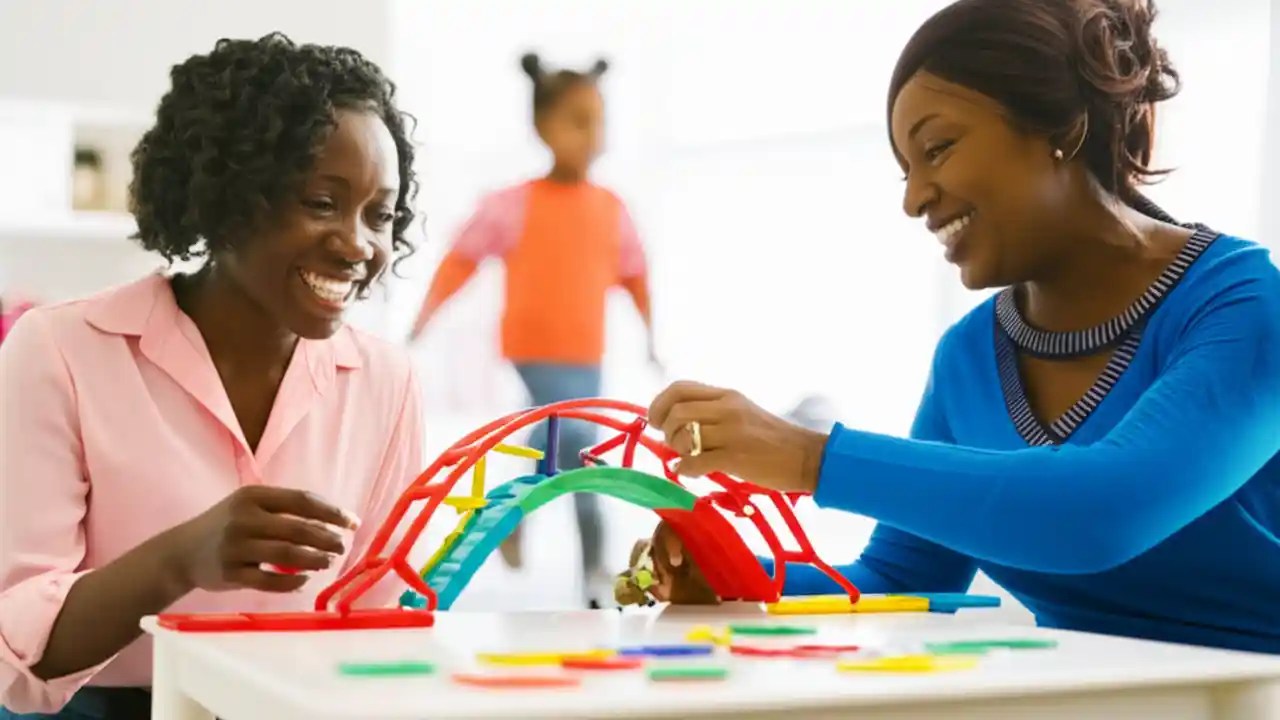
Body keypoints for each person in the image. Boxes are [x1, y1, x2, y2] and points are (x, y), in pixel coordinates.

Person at [621, 0, 1280, 655]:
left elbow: (1103, 512)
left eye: (937, 149)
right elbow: (901, 580)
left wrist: (809, 458)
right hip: (1106, 696)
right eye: (906, 171)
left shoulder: (1245, 307)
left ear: (1064, 128)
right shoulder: (969, 358)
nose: (914, 200)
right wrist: (734, 577)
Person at [0, 34, 424, 717]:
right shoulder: (60, 351)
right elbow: (15, 660)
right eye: (322, 202)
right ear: (229, 198)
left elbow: (374, 624)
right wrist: (183, 558)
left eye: (380, 214)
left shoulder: (385, 381)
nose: (357, 244)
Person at [408, 53, 657, 608]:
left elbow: (636, 276)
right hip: (533, 350)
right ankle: (595, 570)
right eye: (578, 121)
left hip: (586, 353)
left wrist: (651, 339)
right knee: (580, 445)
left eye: (599, 121)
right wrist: (422, 320)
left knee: (555, 436)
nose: (592, 135)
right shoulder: (514, 203)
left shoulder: (611, 207)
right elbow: (460, 259)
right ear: (543, 127)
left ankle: (511, 517)